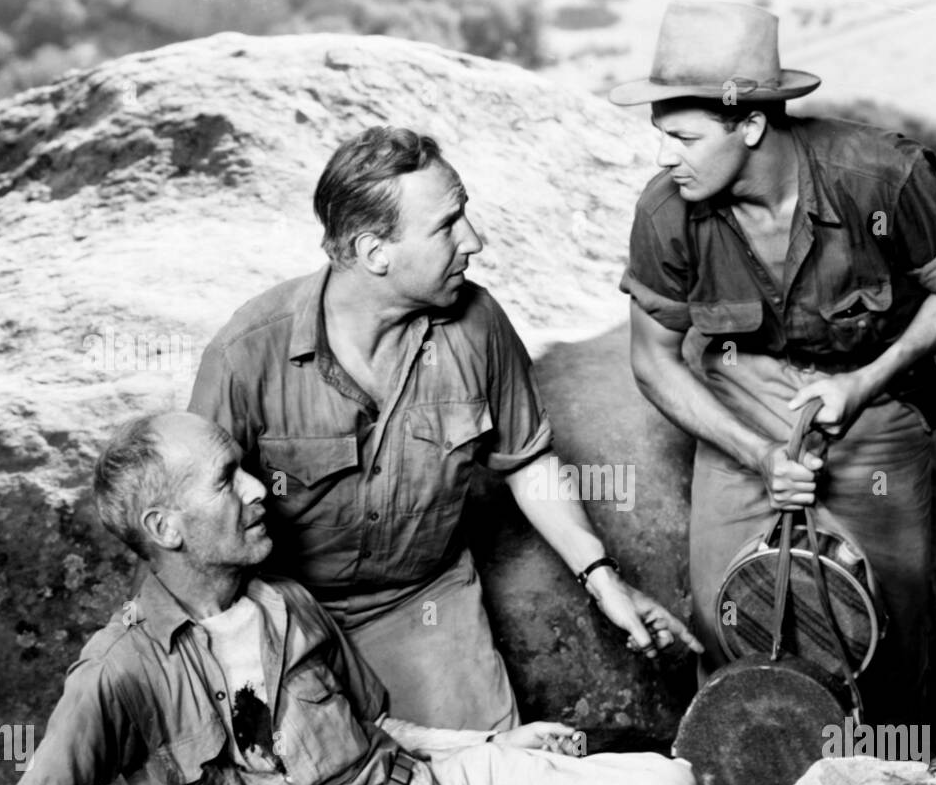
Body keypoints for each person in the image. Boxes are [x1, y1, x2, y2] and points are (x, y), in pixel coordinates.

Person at [0, 412, 700, 785]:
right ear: (167, 528)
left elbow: (378, 724)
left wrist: (489, 746)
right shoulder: (120, 673)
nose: (259, 489)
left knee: (673, 782)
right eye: (227, 480)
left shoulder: (287, 601)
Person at [187, 126, 702, 735]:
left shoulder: (478, 324)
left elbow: (528, 462)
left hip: (421, 605)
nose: (474, 242)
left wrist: (602, 578)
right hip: (284, 608)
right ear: (375, 251)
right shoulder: (248, 354)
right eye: (447, 226)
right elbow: (196, 518)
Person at [609, 2, 936, 720]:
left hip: (874, 399)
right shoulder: (666, 212)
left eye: (685, 138)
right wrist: (756, 453)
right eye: (663, 136)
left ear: (752, 124)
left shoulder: (879, 177)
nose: (666, 157)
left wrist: (866, 380)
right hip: (740, 401)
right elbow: (653, 359)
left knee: (883, 636)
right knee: (733, 623)